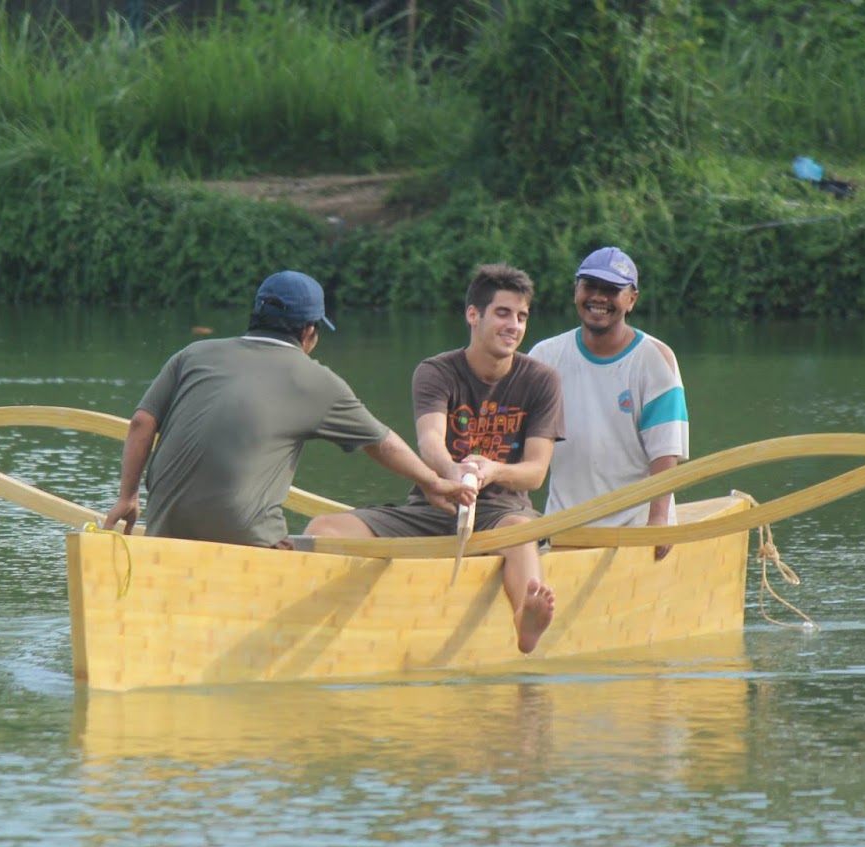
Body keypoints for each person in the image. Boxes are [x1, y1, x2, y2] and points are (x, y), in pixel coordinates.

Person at [102, 270, 472, 547]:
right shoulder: (316, 381)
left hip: (165, 531)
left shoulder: (194, 354)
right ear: (310, 332)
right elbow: (382, 443)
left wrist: (127, 497)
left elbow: (140, 423)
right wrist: (433, 482)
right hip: (247, 541)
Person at [304, 264, 562, 654]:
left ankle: (524, 621)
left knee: (521, 535)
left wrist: (493, 471)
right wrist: (451, 473)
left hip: (503, 514)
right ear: (473, 315)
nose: (514, 325)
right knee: (323, 528)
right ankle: (316, 627)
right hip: (434, 503)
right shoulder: (436, 371)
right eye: (503, 313)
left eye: (522, 316)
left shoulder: (542, 380)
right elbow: (430, 442)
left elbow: (535, 473)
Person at [526, 247, 688, 562]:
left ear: (632, 299)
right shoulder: (544, 356)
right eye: (590, 287)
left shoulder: (656, 358)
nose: (598, 298)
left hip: (634, 529)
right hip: (564, 527)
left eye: (611, 290)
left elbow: (665, 450)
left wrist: (658, 521)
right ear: (576, 291)